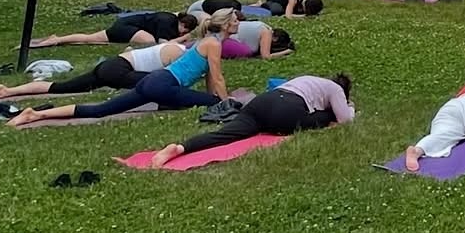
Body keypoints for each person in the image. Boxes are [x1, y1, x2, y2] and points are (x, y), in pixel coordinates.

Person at [7, 14, 236, 127]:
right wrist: (223, 101)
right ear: (226, 25)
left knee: (101, 110)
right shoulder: (214, 44)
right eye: (235, 20)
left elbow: (209, 78)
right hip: (163, 85)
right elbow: (217, 76)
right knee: (211, 103)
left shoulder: (208, 42)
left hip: (155, 82)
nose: (239, 23)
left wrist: (216, 98)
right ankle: (35, 114)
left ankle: (36, 114)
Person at [148, 74, 354, 168]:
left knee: (224, 134)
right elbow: (344, 119)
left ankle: (181, 148)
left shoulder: (308, 79)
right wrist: (349, 107)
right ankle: (179, 149)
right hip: (286, 112)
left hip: (261, 104)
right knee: (325, 117)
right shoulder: (335, 90)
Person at [0, 42, 189, 101]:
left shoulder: (176, 47)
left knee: (61, 88)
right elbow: (169, 80)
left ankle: (6, 91)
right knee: (158, 85)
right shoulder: (178, 52)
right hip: (118, 69)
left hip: (111, 65)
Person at [28, 11, 197, 49]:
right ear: (182, 24)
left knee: (91, 38)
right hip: (128, 27)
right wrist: (183, 39)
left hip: (125, 24)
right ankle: (56, 39)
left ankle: (58, 39)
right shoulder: (167, 23)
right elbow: (163, 44)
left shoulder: (171, 19)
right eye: (184, 30)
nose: (182, 33)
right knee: (150, 42)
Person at [220, 20, 294, 60]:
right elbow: (266, 57)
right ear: (275, 38)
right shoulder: (267, 33)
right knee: (246, 52)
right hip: (224, 42)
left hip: (222, 37)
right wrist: (287, 51)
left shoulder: (263, 26)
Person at [257, 0, 324, 18]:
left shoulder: (308, 2)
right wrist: (303, 16)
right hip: (276, 3)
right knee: (277, 11)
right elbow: (288, 16)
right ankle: (260, 3)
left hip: (284, 9)